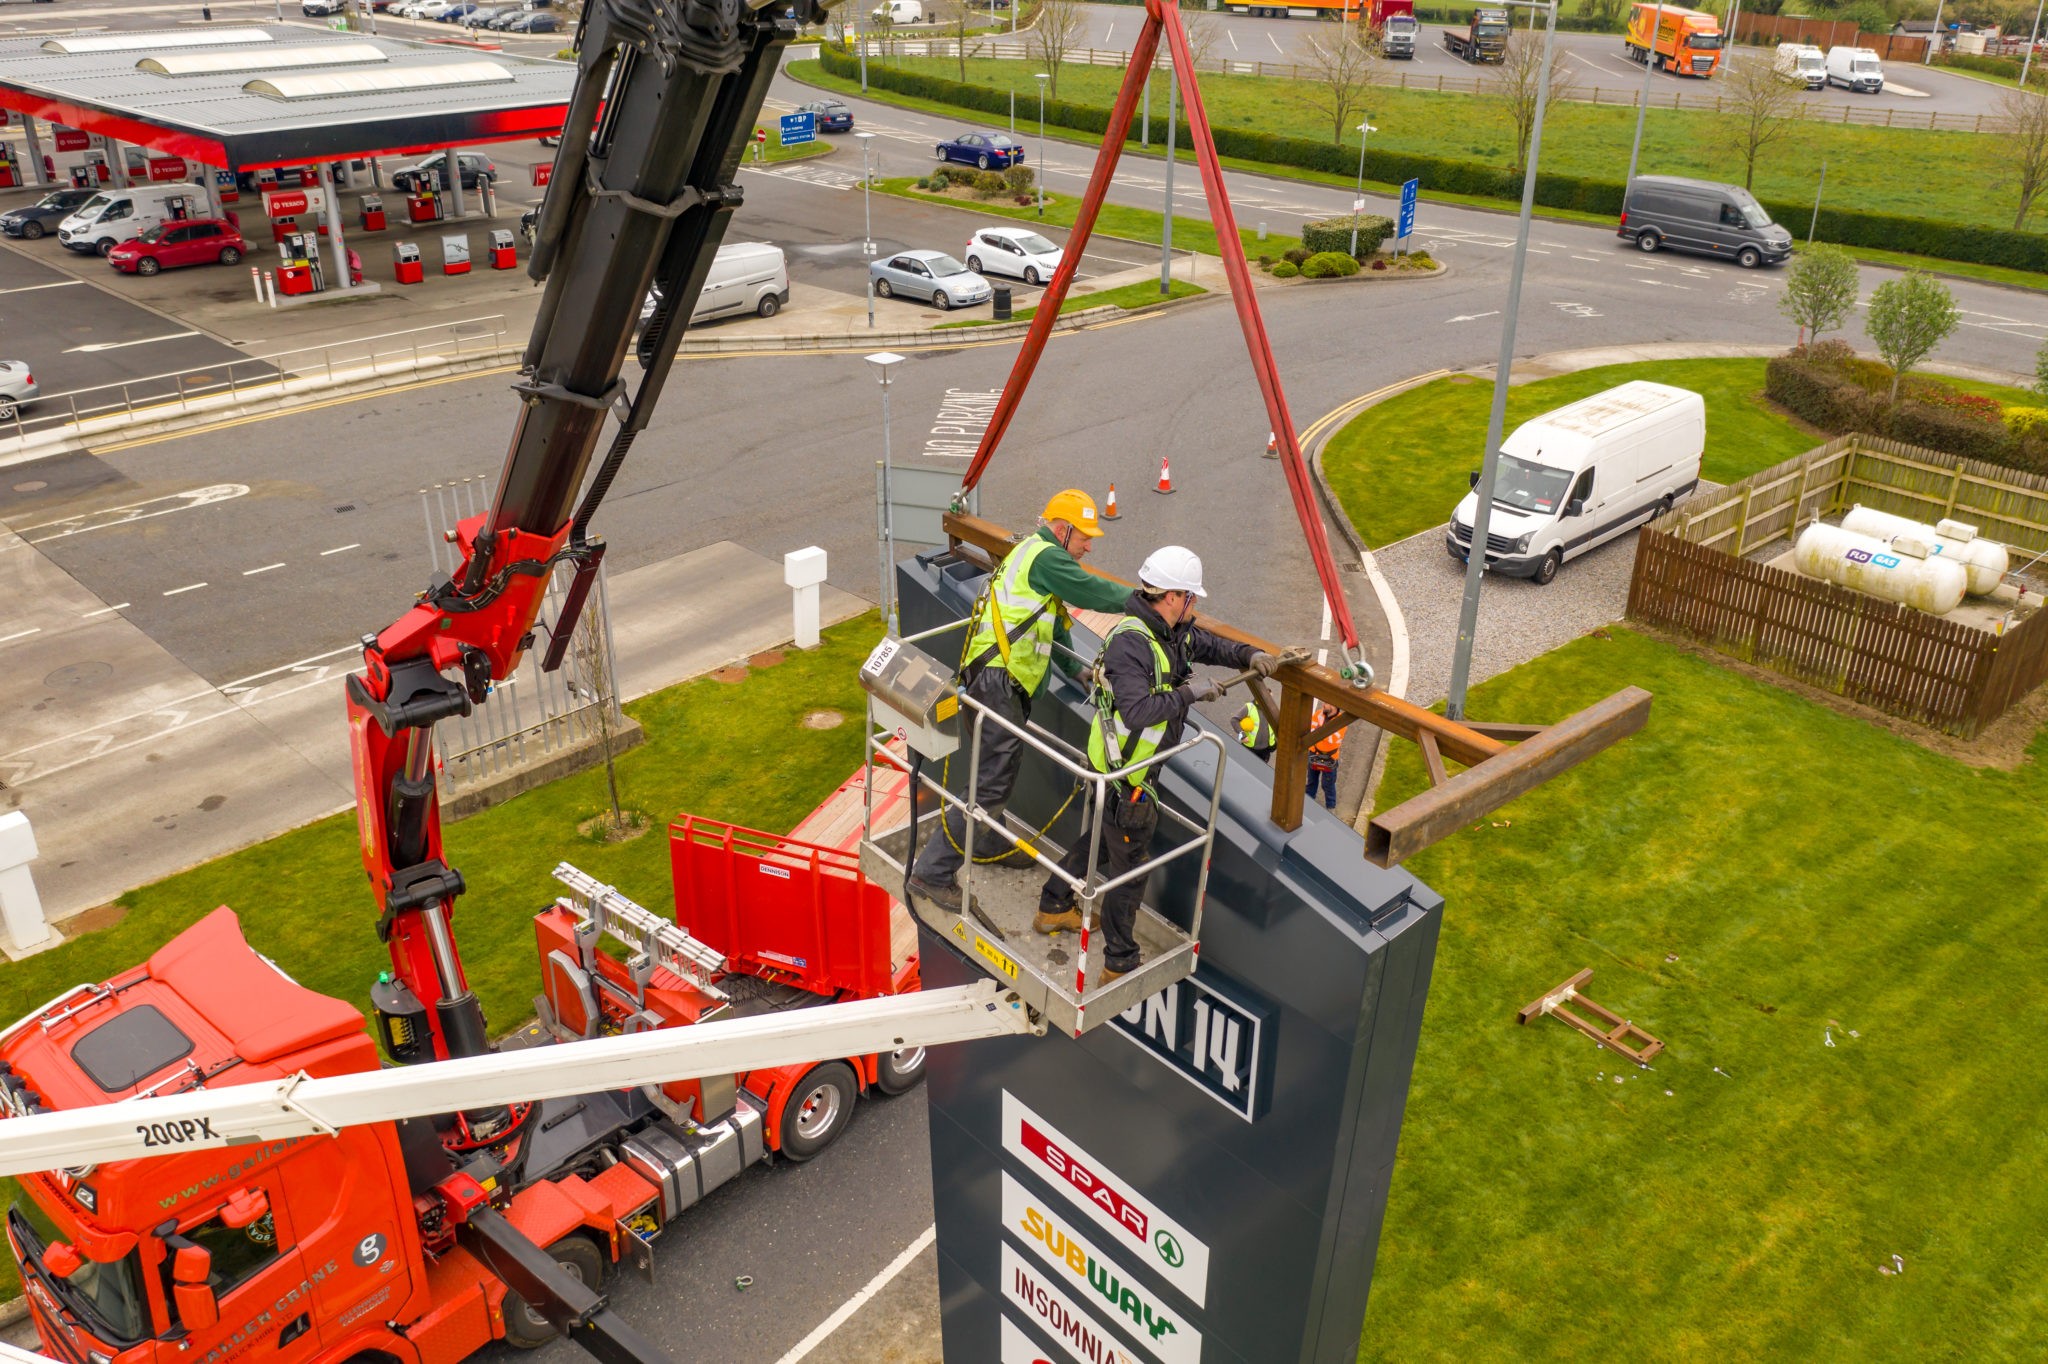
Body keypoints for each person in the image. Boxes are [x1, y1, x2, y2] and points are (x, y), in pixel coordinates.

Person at [1039, 546, 1279, 983]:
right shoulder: (1132, 644)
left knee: (1103, 842)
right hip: (1127, 774)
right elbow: (1137, 713)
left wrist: (1249, 655)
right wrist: (1190, 694)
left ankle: (1054, 904)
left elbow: (1210, 645)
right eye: (1191, 596)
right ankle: (1119, 961)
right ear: (1172, 596)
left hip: (1120, 767)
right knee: (1130, 872)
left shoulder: (1170, 632)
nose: (1195, 603)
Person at [906, 489, 1130, 913]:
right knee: (991, 784)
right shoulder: (1047, 558)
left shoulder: (1031, 553)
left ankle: (989, 841)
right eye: (1085, 537)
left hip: (990, 680)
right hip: (998, 683)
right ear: (1063, 531)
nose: (1089, 546)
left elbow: (1051, 619)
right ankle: (932, 873)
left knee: (993, 773)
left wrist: (1075, 669)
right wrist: (1143, 600)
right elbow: (1091, 592)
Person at [1306, 703, 1343, 811]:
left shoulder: (1342, 721)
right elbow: (1310, 730)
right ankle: (1308, 800)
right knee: (1311, 780)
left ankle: (1330, 806)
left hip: (1329, 758)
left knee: (1328, 784)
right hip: (1314, 753)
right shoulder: (1319, 714)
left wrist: (1318, 730)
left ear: (1334, 705)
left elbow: (1333, 739)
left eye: (1326, 703)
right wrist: (1320, 733)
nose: (1323, 704)